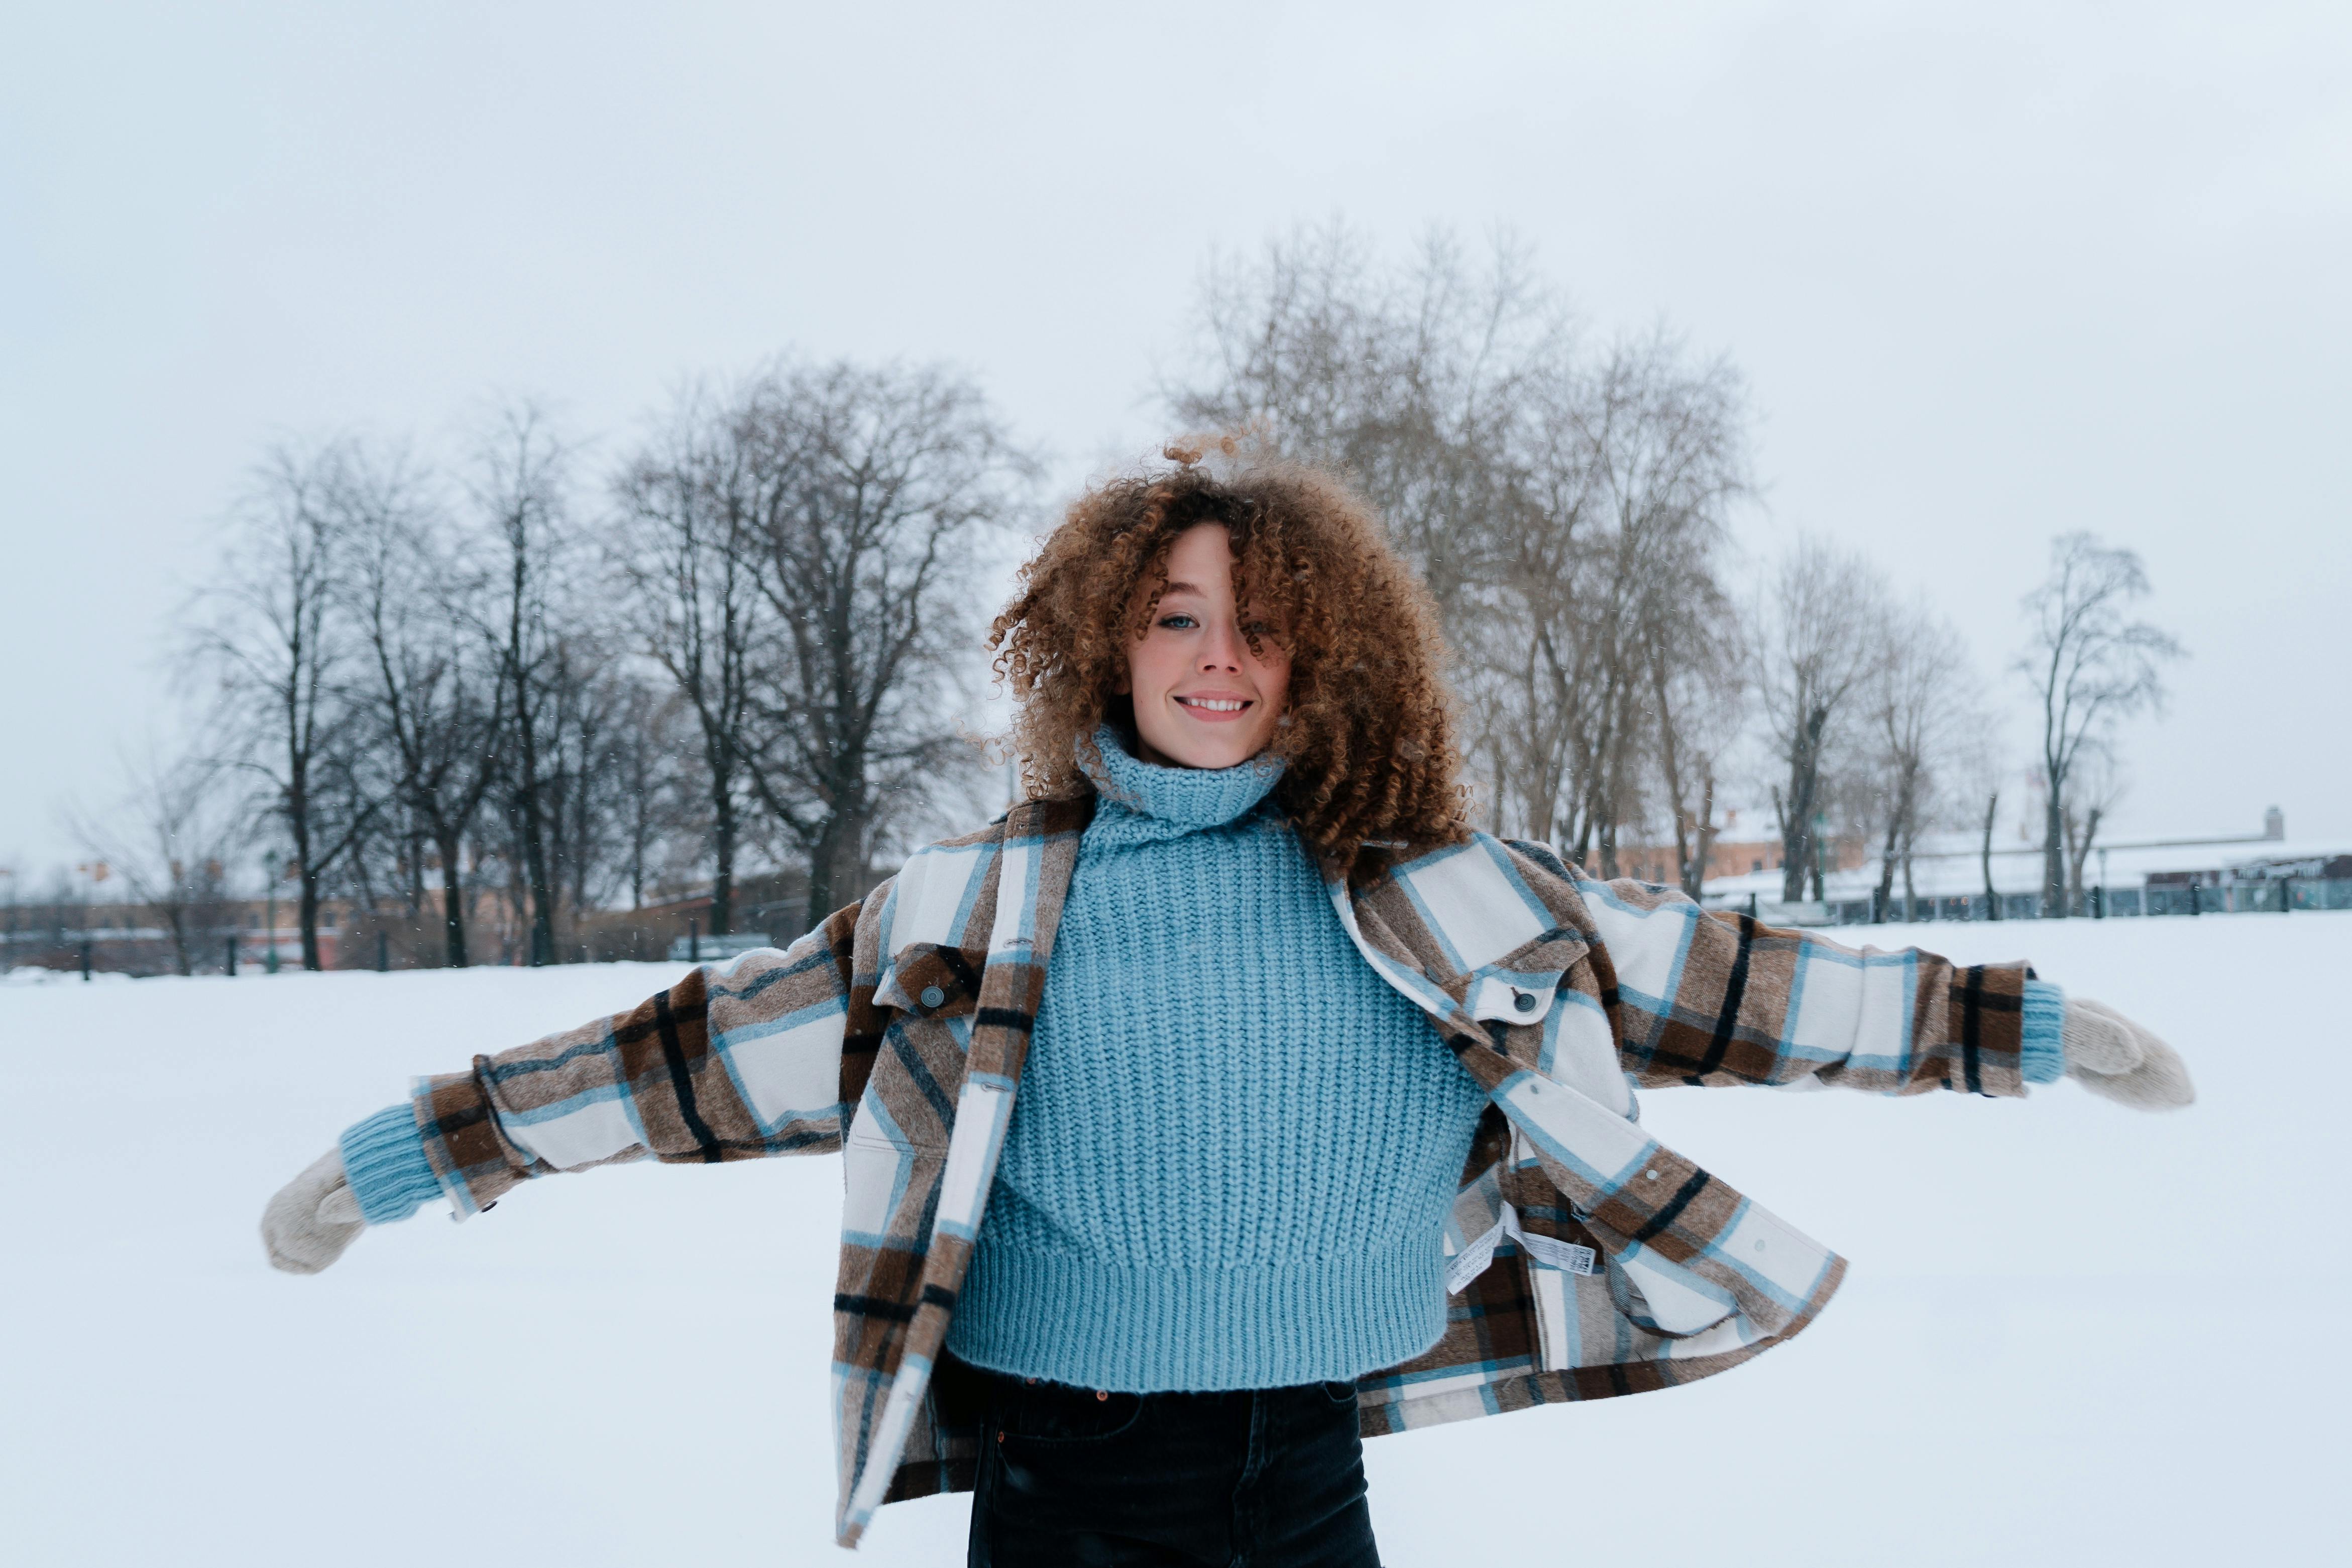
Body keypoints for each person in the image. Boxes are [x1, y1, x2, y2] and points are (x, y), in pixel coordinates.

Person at [262, 450, 2194, 1567]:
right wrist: (415, 1154)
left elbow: (1737, 980)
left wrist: (2014, 1027)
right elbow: (685, 1056)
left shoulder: (1437, 889)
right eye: (1174, 612)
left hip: (1304, 1464)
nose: (1214, 653)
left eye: (1255, 619)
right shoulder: (983, 906)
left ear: (1317, 651)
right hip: (1063, 1473)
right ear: (1106, 631)